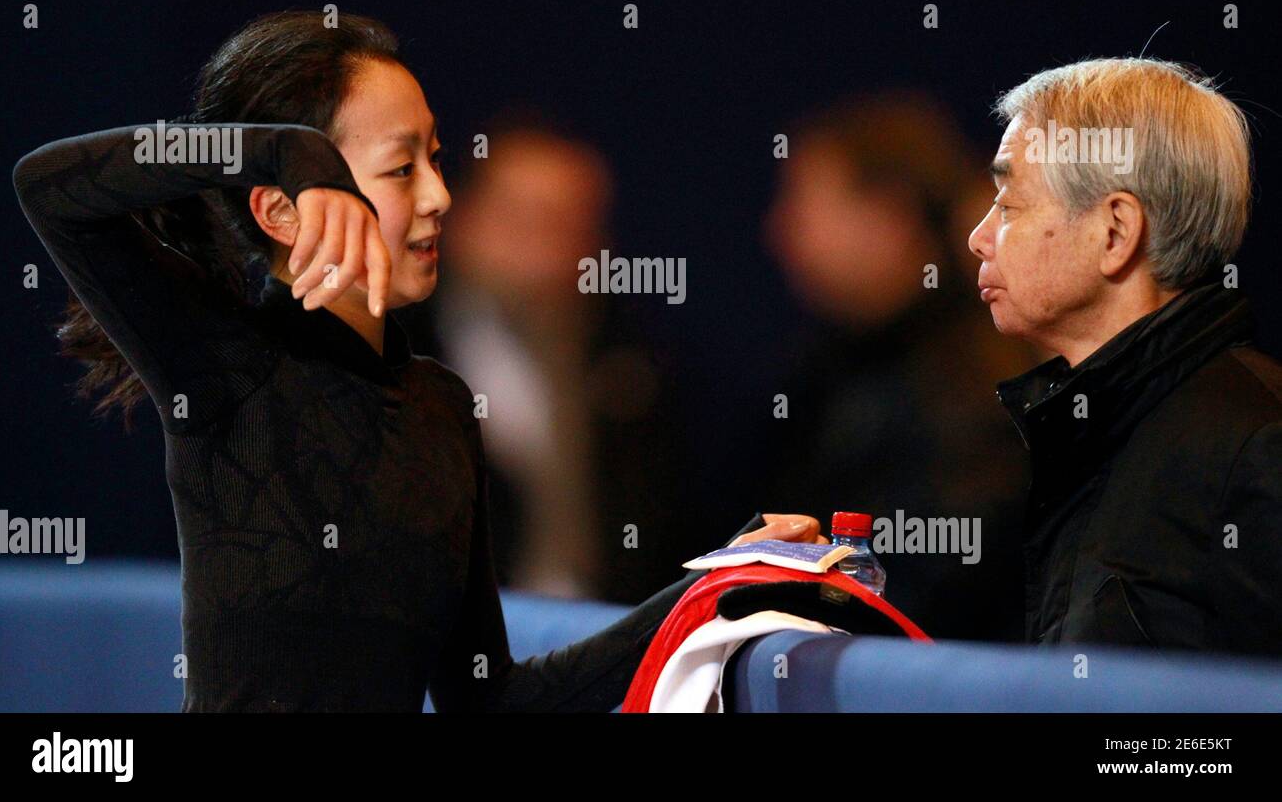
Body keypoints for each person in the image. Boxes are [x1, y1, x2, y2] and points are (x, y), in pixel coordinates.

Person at [12, 10, 824, 711]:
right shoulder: (225, 363)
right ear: (281, 210)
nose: (438, 195)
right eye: (403, 168)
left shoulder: (440, 406)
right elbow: (51, 185)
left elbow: (495, 698)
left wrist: (716, 585)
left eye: (436, 158)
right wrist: (287, 151)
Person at [968, 57, 1282, 655]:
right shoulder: (1080, 435)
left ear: (1114, 231)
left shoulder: (1262, 451)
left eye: (1009, 205)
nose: (978, 237)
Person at [747, 91, 1037, 642]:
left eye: (803, 202)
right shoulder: (827, 371)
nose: (780, 231)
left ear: (890, 216)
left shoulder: (976, 399)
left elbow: (921, 614)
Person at [404, 118, 697, 603]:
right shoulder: (396, 346)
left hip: (601, 635)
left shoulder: (634, 365)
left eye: (562, 223)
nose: (536, 247)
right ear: (462, 217)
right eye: (517, 218)